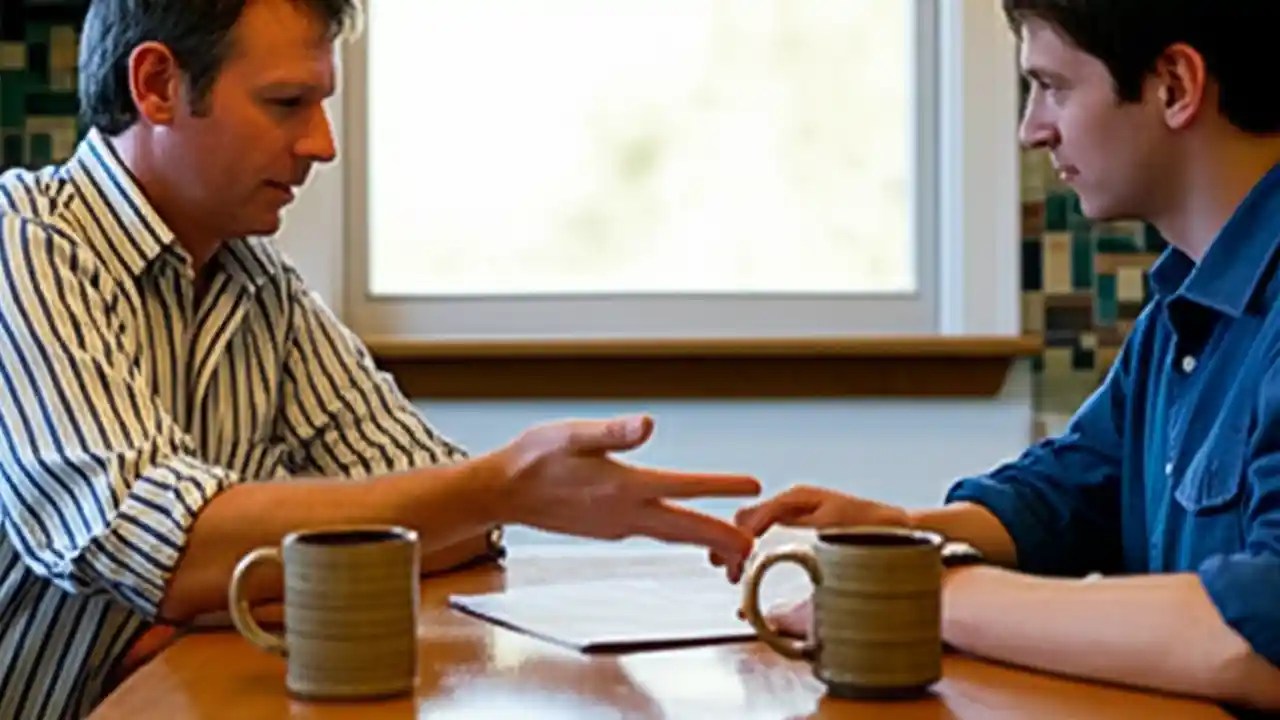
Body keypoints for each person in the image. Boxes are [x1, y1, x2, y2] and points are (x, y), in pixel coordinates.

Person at [0, 1, 761, 717]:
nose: (321, 144)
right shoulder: (23, 244)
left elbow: (450, 519)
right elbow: (164, 543)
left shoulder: (260, 286)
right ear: (158, 86)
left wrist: (219, 595)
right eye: (286, 102)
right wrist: (497, 487)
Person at [725, 0, 1280, 713]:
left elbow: (1260, 632)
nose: (1031, 130)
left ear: (1174, 85)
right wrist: (903, 534)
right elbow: (1071, 494)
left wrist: (928, 593)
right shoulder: (1184, 307)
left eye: (1052, 86)